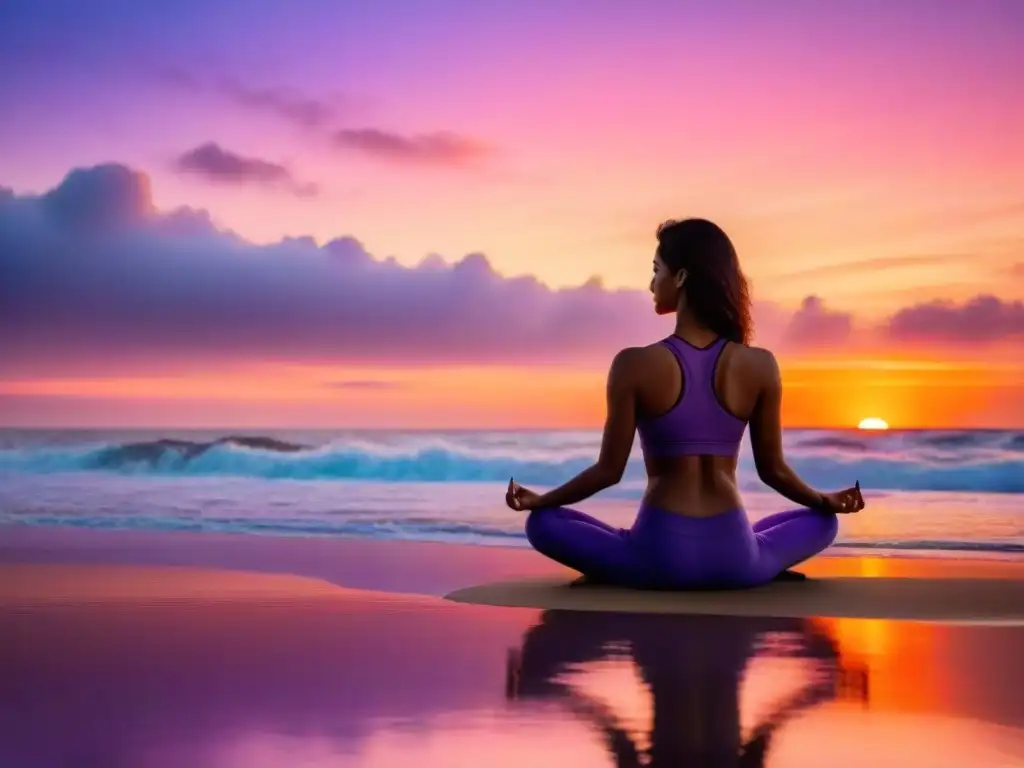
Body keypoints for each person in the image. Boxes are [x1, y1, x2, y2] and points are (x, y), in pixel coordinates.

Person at [505, 218, 865, 589]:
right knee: (823, 520)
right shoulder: (760, 365)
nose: (651, 284)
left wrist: (543, 499)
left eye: (656, 270)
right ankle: (763, 561)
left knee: (543, 522)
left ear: (680, 278)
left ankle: (620, 562)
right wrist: (824, 499)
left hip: (658, 562)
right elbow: (773, 471)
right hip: (736, 560)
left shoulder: (632, 364)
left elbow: (607, 471)